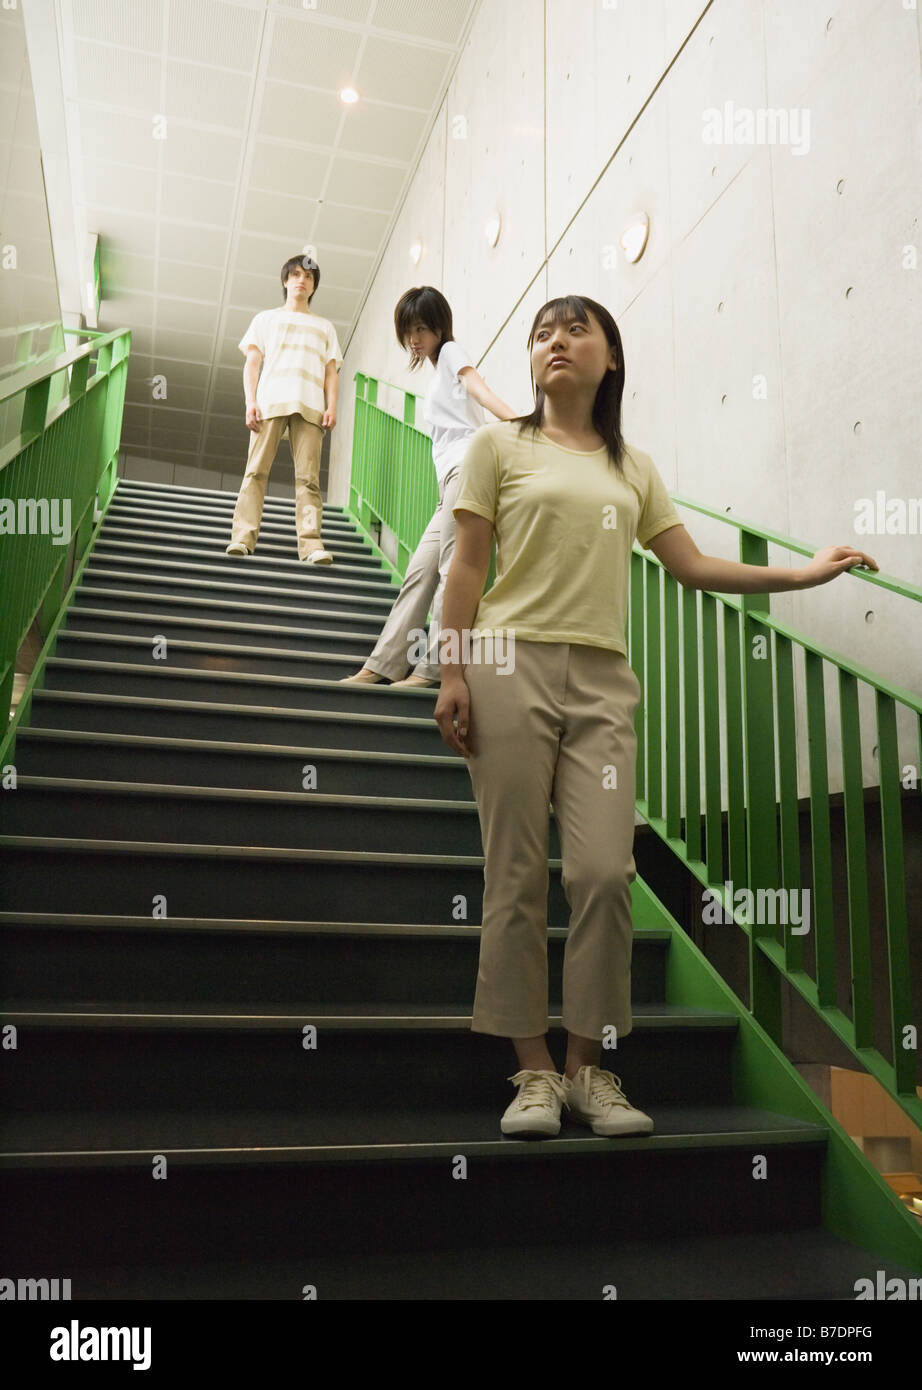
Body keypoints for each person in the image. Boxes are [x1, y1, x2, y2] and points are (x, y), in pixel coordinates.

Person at [434, 293, 879, 1139]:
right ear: (531, 362)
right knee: (517, 875)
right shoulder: (498, 446)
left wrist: (803, 575)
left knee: (604, 873)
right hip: (506, 666)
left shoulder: (631, 467)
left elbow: (694, 567)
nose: (555, 341)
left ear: (610, 359)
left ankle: (588, 1070)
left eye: (575, 329)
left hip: (602, 681)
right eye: (541, 333)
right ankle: (532, 1073)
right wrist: (451, 671)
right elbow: (467, 568)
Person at [342, 286, 516, 688]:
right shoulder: (437, 371)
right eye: (408, 332)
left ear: (440, 326)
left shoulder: (452, 353)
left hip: (470, 467)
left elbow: (477, 386)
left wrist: (515, 420)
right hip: (451, 483)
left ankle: (434, 669)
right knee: (419, 573)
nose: (414, 339)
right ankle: (382, 664)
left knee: (452, 570)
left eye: (421, 328)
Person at [226, 255, 342, 564]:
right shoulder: (265, 319)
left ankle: (311, 544)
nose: (301, 280)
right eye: (295, 274)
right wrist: (250, 401)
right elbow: (252, 363)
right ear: (285, 280)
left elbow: (332, 372)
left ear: (314, 285)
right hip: (270, 401)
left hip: (311, 406)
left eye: (308, 276)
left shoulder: (325, 327)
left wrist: (332, 405)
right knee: (255, 472)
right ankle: (242, 537)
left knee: (309, 480)